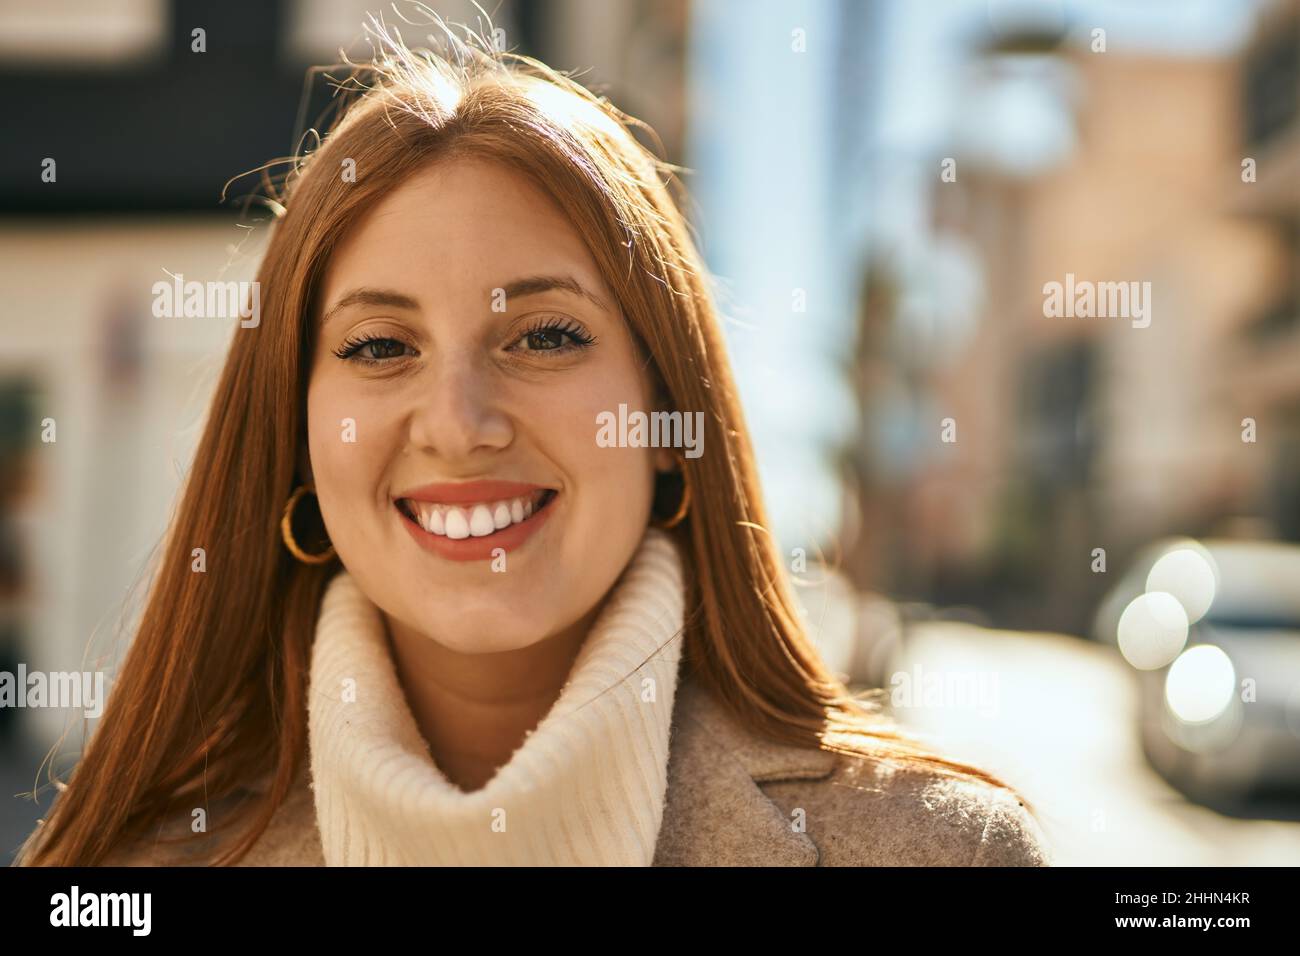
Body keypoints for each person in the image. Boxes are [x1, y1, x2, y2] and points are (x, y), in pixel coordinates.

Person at [17, 13, 1050, 867]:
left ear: (664, 416)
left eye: (545, 335)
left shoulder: (938, 852)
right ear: (293, 436)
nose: (461, 422)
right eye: (380, 346)